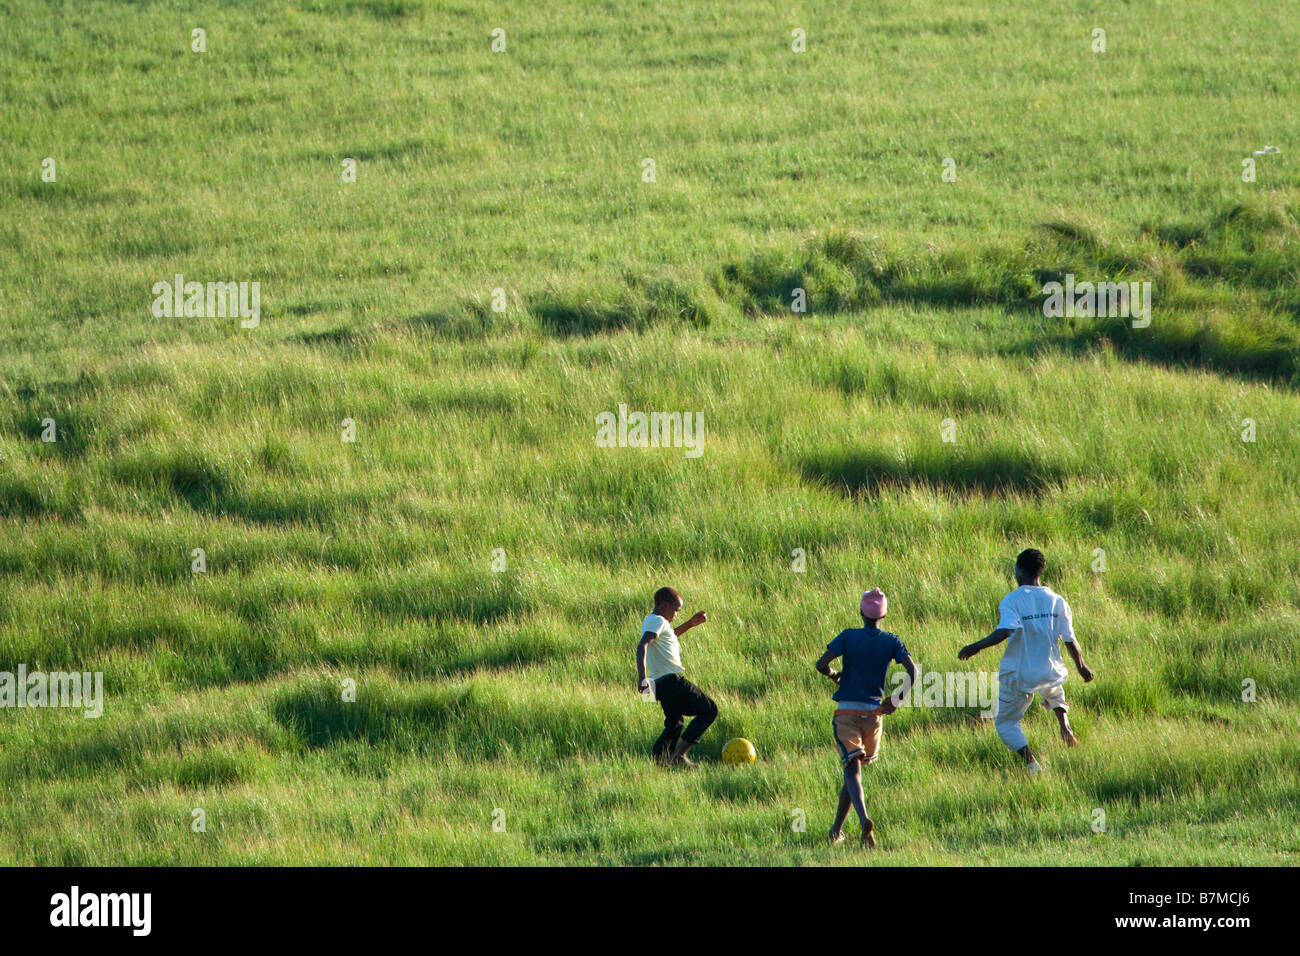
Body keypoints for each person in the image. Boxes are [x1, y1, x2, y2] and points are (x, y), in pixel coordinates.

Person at [958, 548, 1095, 772]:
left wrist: (975, 647)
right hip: (1050, 669)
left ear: (1019, 570)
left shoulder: (1012, 600)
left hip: (1021, 674)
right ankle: (1065, 727)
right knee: (1054, 689)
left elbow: (1004, 632)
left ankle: (1032, 763)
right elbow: (1070, 640)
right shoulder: (1057, 600)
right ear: (1040, 572)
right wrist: (1081, 667)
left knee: (1005, 722)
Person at [815, 588, 917, 848]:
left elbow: (821, 664)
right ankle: (835, 831)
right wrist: (896, 699)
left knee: (852, 770)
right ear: (884, 615)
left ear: (861, 612)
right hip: (873, 716)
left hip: (846, 712)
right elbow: (913, 670)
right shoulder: (891, 641)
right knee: (853, 771)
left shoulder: (848, 637)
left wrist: (834, 674)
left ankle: (863, 820)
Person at [636, 586, 717, 767]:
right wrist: (642, 678)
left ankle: (659, 759)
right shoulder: (657, 620)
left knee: (675, 723)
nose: (676, 614)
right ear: (664, 605)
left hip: (661, 684)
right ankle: (679, 756)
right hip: (672, 681)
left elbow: (670, 635)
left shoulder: (654, 622)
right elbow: (642, 646)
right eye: (676, 609)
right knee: (709, 710)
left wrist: (690, 623)